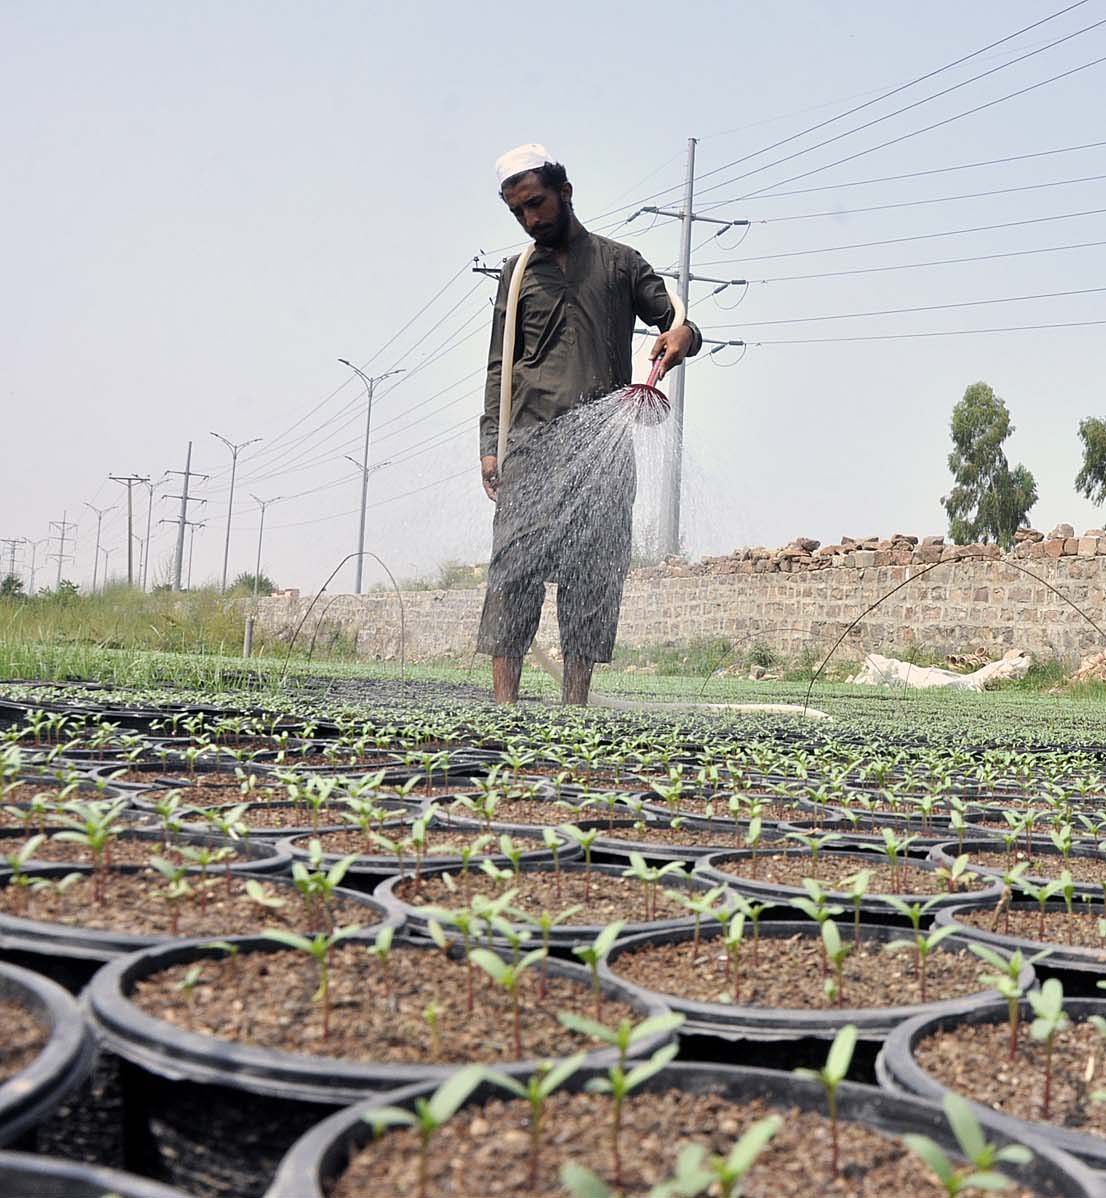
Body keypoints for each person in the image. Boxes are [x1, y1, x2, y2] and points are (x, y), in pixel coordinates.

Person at [477, 143, 701, 705]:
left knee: (593, 573)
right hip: (529, 444)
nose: (530, 220)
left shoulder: (620, 263)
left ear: (565, 192)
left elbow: (676, 320)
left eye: (536, 204)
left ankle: (575, 703)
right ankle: (505, 704)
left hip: (604, 450)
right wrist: (490, 445)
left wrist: (685, 338)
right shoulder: (517, 273)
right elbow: (499, 365)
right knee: (513, 570)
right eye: (518, 213)